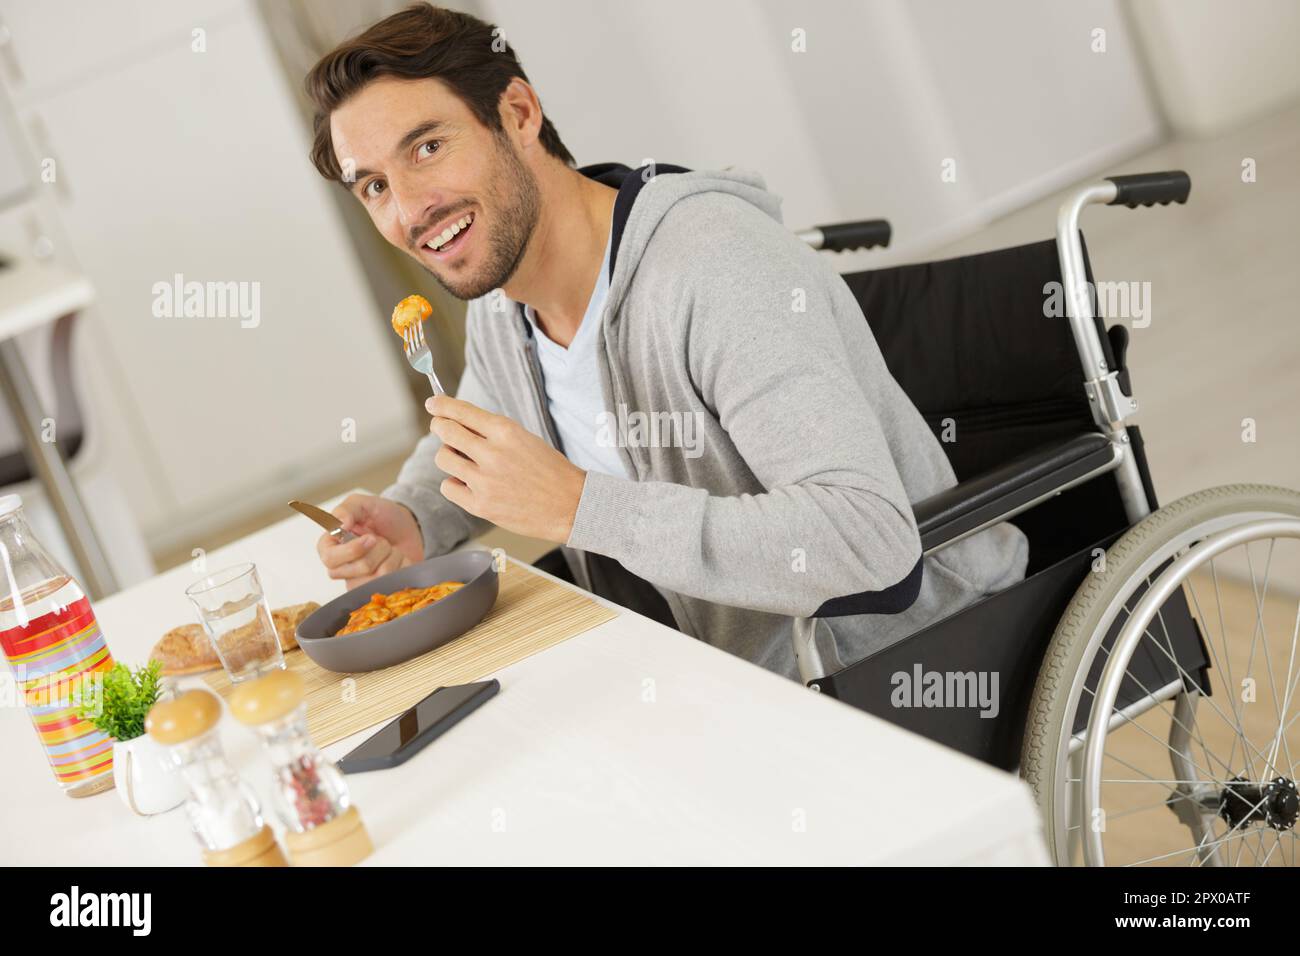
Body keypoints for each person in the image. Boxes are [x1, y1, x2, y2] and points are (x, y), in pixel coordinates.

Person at [305, 3, 1029, 680]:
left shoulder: (713, 266)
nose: (407, 210)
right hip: (707, 677)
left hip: (887, 665)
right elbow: (479, 437)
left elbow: (865, 542)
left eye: (428, 147)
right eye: (371, 187)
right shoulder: (506, 306)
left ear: (518, 114)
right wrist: (410, 516)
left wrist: (582, 508)